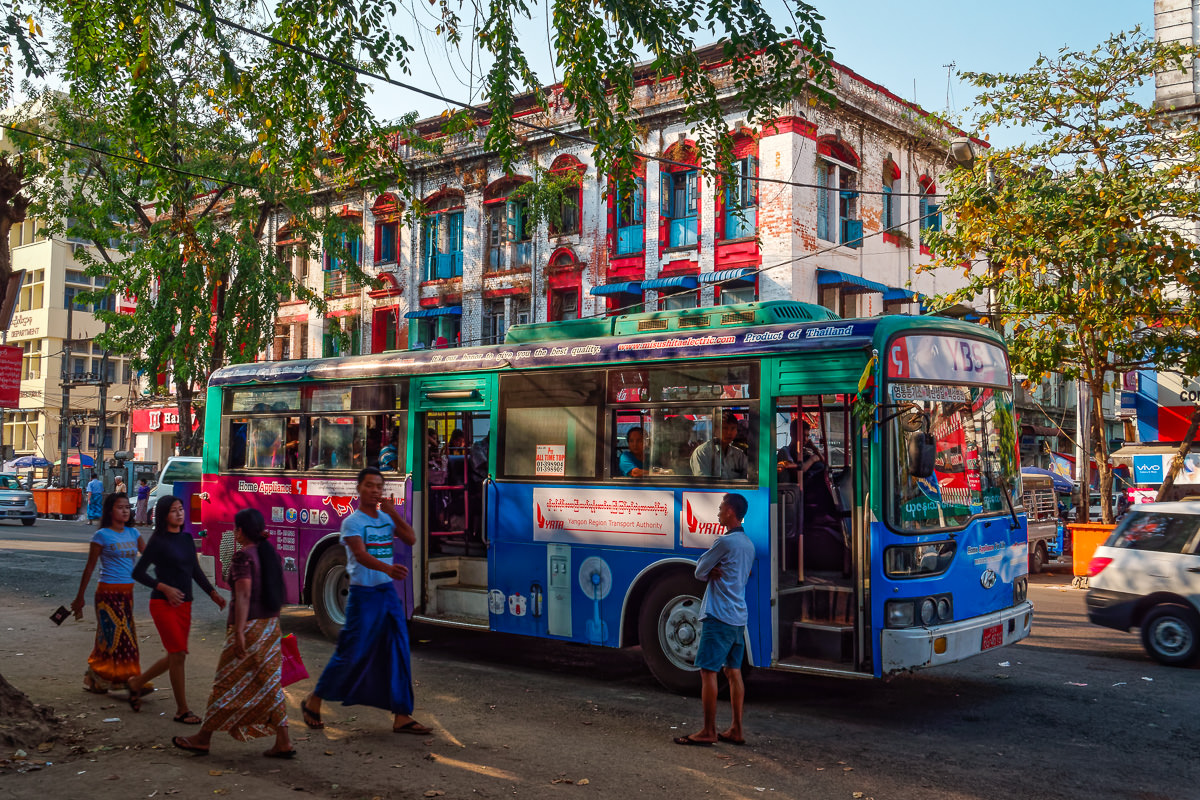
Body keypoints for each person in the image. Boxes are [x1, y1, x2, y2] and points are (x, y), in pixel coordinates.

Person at [301, 467, 431, 736]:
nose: (375, 491)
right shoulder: (352, 522)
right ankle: (314, 699)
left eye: (379, 487)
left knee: (398, 649)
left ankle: (402, 715)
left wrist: (394, 513)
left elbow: (410, 538)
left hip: (386, 594)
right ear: (358, 489)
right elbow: (359, 555)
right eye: (370, 486)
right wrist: (388, 569)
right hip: (363, 596)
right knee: (351, 652)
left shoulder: (385, 518)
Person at [173, 508, 294, 758]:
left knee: (226, 683)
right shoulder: (269, 554)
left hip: (248, 628)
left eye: (235, 529)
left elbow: (243, 595)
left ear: (240, 531)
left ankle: (203, 738)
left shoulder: (242, 557)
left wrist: (238, 631)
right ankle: (283, 741)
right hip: (270, 628)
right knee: (269, 684)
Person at [127, 495, 227, 721]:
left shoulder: (186, 539)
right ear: (164, 515)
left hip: (185, 605)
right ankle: (182, 710)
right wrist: (164, 587)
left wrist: (212, 593)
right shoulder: (158, 541)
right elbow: (138, 573)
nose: (179, 513)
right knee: (178, 654)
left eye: (180, 509)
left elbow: (195, 571)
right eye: (173, 510)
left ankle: (136, 683)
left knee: (175, 655)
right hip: (162, 604)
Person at [674, 493, 754, 747]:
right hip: (738, 617)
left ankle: (708, 730)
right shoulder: (748, 544)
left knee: (708, 672)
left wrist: (711, 570)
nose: (718, 512)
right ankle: (736, 729)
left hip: (718, 615)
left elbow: (699, 570)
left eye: (721, 508)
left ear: (730, 511)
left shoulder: (725, 542)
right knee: (733, 672)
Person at [71, 492, 146, 695]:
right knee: (114, 637)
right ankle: (120, 679)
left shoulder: (134, 534)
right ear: (110, 511)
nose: (125, 511)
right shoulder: (101, 535)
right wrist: (79, 598)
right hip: (107, 593)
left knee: (124, 637)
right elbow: (89, 568)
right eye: (120, 507)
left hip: (127, 593)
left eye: (127, 507)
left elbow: (148, 557)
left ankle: (105, 679)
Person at [690, 412, 749, 479]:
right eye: (725, 428)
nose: (729, 432)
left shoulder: (739, 455)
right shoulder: (702, 453)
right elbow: (704, 485)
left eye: (733, 428)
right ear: (715, 430)